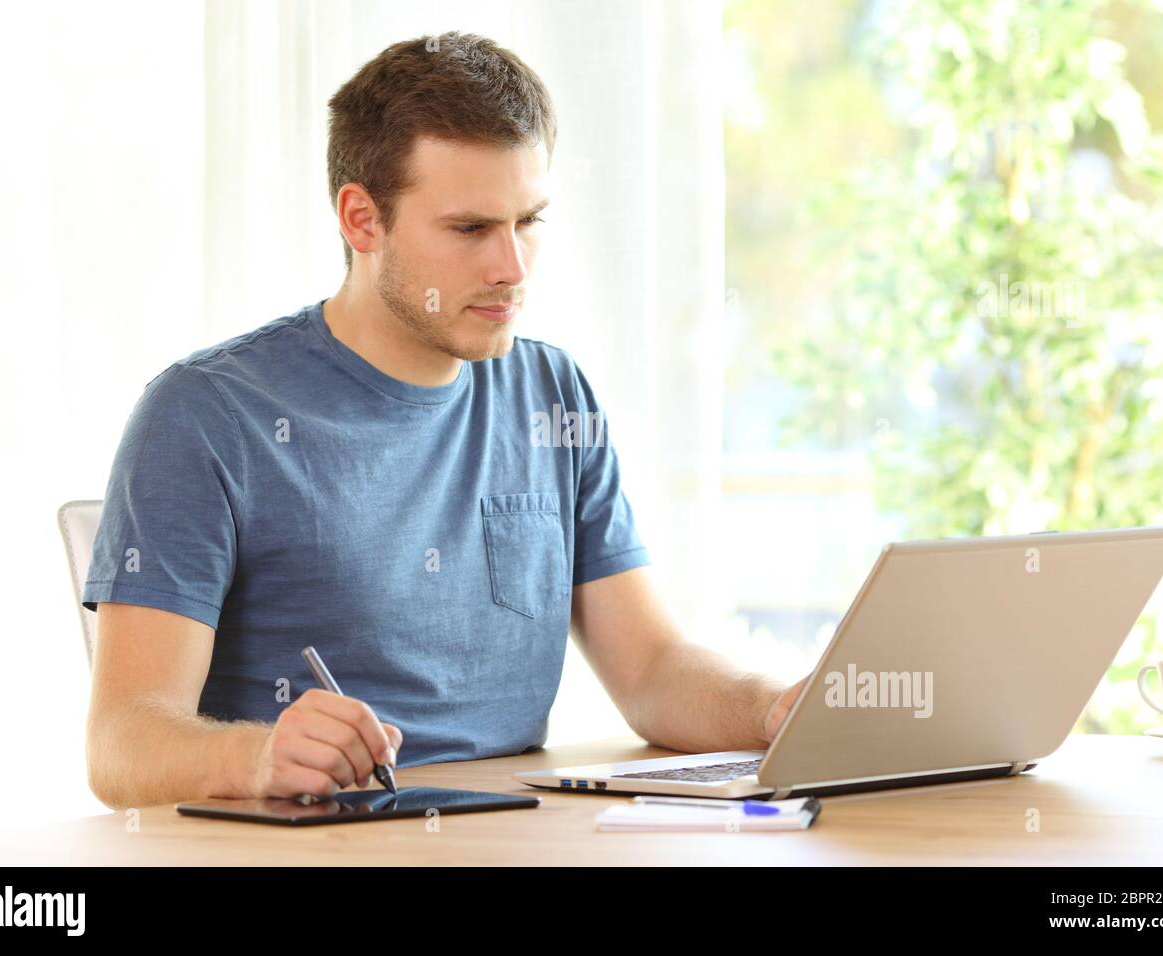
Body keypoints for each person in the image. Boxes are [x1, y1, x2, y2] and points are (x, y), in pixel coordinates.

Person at [82, 30, 807, 810]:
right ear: (362, 220)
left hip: (515, 832)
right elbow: (123, 742)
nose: (512, 268)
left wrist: (777, 709)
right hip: (327, 848)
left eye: (528, 220)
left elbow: (653, 671)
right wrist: (260, 757)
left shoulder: (552, 393)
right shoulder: (206, 415)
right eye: (471, 230)